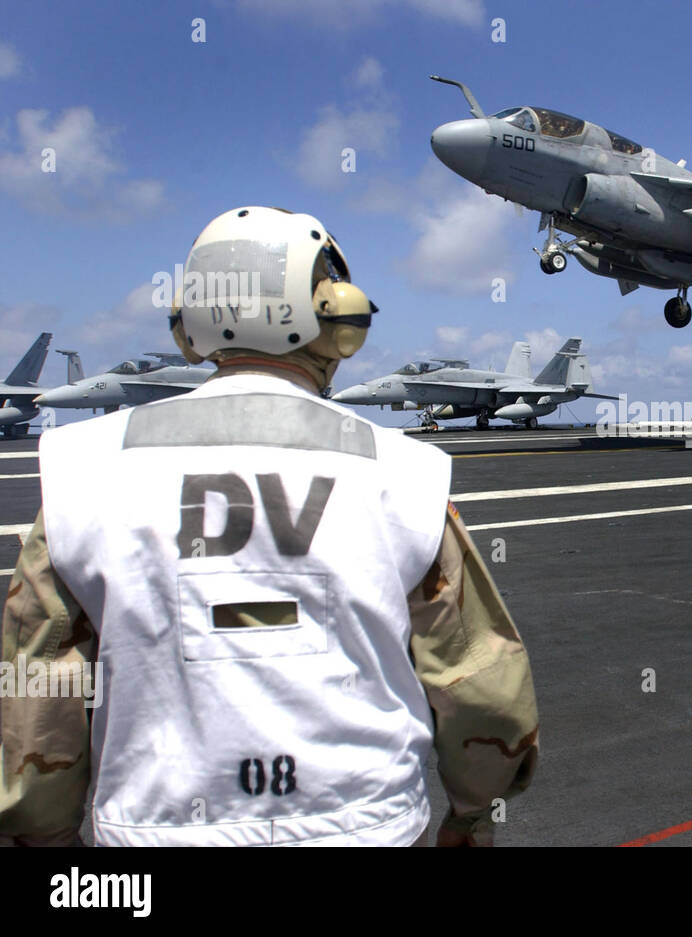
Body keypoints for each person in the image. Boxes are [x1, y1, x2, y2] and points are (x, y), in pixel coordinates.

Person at [0, 206, 538, 846]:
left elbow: (36, 693)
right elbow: (483, 687)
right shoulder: (405, 473)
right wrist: (472, 813)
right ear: (334, 314)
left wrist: (46, 839)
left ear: (188, 324)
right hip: (368, 828)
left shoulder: (80, 472)